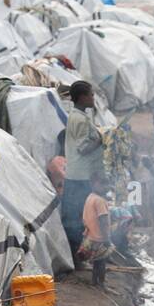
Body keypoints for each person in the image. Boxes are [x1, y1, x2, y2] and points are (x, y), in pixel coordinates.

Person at [60, 80, 103, 250]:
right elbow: (83, 148)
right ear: (83, 97)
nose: (93, 98)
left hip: (78, 173)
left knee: (76, 215)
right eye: (91, 95)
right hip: (81, 175)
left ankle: (79, 252)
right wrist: (101, 139)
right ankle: (79, 253)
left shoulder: (78, 116)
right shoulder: (80, 119)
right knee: (80, 216)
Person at [78, 171, 113, 286]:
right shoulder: (100, 201)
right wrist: (106, 238)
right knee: (102, 261)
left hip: (90, 235)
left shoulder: (90, 197)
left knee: (97, 261)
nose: (106, 187)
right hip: (99, 237)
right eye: (103, 184)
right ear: (93, 184)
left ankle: (94, 281)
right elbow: (103, 221)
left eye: (107, 184)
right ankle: (101, 283)